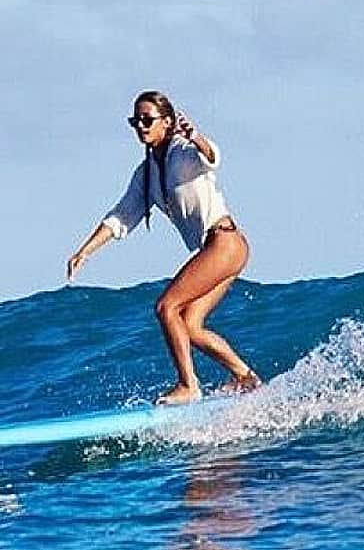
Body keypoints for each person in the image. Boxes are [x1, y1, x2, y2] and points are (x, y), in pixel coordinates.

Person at [67, 91, 261, 404]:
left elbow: (212, 157)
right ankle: (245, 376)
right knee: (189, 324)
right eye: (135, 121)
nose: (140, 126)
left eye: (147, 120)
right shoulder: (146, 174)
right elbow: (122, 216)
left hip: (223, 241)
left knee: (166, 306)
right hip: (222, 247)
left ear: (166, 122)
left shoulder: (182, 151)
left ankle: (188, 385)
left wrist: (196, 136)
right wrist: (85, 251)